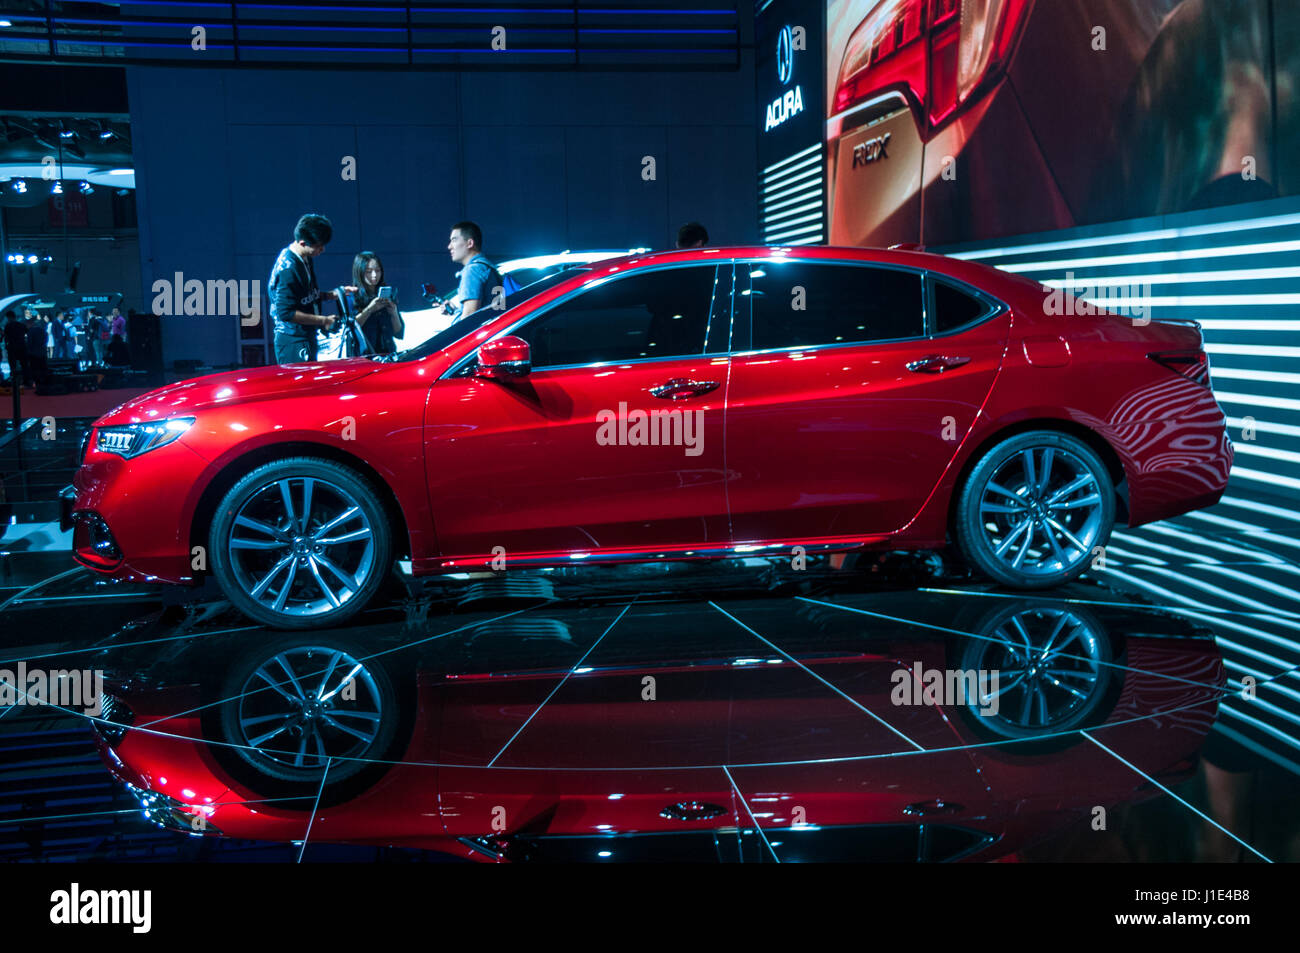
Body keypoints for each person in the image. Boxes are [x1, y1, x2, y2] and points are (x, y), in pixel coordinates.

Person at [268, 213, 348, 364]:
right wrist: (323, 320)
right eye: (318, 246)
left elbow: (306, 296)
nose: (322, 249)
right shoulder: (288, 269)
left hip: (305, 336)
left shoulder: (306, 258)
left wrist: (334, 294)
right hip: (293, 340)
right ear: (303, 243)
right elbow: (285, 312)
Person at [438, 221, 501, 325]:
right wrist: (457, 310)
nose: (449, 246)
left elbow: (469, 318)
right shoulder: (487, 267)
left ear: (470, 243)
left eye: (454, 240)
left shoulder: (472, 270)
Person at [350, 251, 405, 355]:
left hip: (388, 354)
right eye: (369, 271)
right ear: (360, 272)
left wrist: (393, 312)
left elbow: (398, 333)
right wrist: (370, 309)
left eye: (377, 270)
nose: (374, 275)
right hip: (364, 357)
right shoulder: (352, 296)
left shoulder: (388, 295)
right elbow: (352, 329)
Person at [3, 310, 28, 386]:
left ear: (9, 317)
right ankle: (26, 381)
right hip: (22, 347)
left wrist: (7, 346)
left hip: (12, 348)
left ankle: (14, 381)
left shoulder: (8, 326)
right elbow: (27, 333)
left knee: (13, 365)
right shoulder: (22, 325)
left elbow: (6, 338)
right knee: (24, 365)